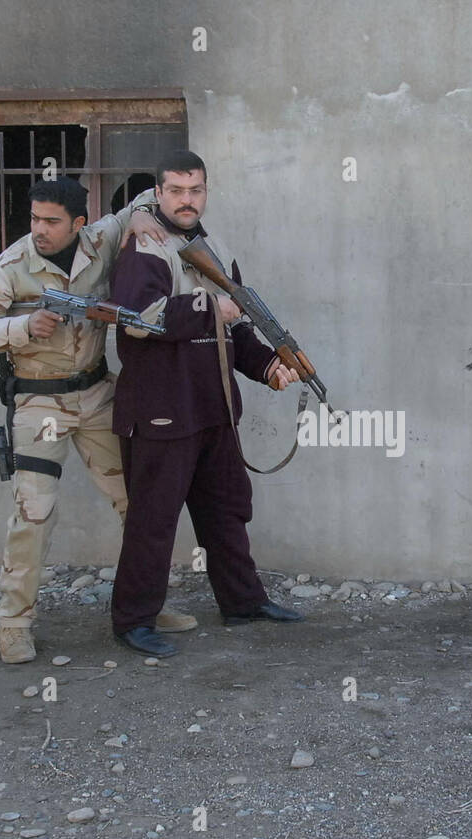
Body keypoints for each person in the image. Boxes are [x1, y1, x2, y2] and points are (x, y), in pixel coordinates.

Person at [0, 177, 197, 664]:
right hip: (40, 403)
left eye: (51, 222)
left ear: (79, 224)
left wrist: (146, 215)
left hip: (95, 392)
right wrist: (22, 327)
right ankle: (13, 623)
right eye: (34, 220)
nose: (39, 230)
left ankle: (143, 608)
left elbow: (143, 201)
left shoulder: (101, 241)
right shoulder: (12, 265)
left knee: (138, 501)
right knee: (34, 513)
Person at [106, 150, 303, 658]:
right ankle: (133, 621)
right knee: (154, 522)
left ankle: (243, 602)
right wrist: (207, 305)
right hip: (161, 411)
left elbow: (235, 330)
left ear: (206, 192)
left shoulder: (216, 249)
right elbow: (136, 319)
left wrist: (268, 368)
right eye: (175, 190)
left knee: (226, 513)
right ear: (159, 192)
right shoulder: (143, 242)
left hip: (213, 409)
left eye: (195, 190)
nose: (186, 199)